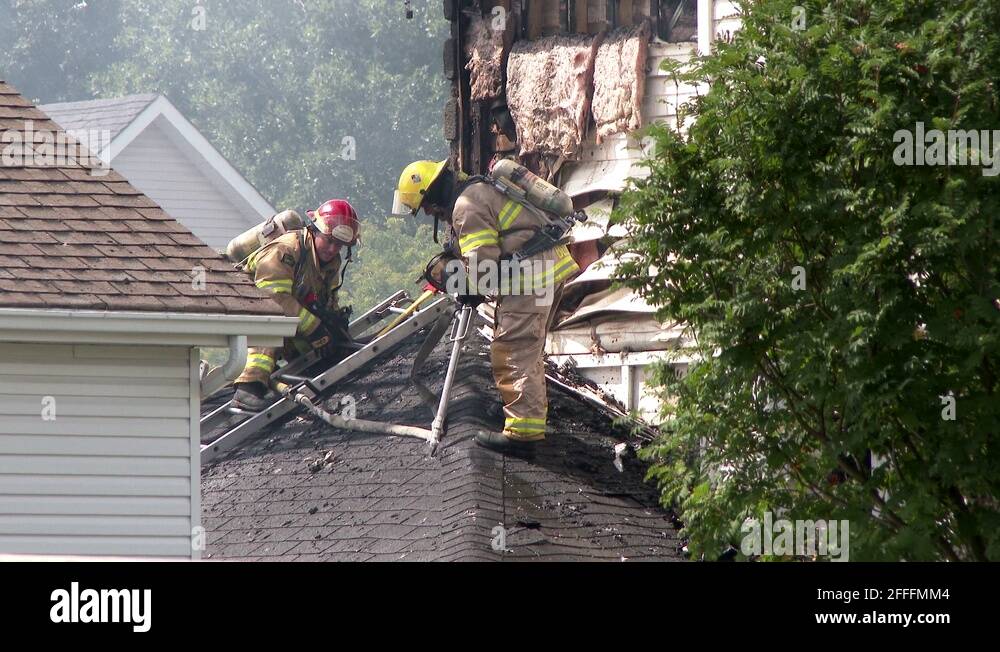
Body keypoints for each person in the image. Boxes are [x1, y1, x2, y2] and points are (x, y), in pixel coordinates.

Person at [394, 159, 579, 452]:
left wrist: (456, 281)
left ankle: (523, 434)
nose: (429, 213)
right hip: (546, 273)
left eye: (426, 205)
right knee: (529, 349)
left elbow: (482, 271)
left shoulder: (466, 205)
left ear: (433, 192)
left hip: (530, 282)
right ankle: (524, 411)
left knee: (512, 350)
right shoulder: (478, 189)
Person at [232, 199, 359, 411]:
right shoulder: (286, 249)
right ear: (315, 230)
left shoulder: (329, 262)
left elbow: (324, 300)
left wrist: (332, 329)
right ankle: (249, 386)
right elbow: (272, 297)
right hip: (245, 307)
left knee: (317, 336)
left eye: (339, 245)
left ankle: (300, 371)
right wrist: (314, 326)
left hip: (283, 309)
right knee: (273, 322)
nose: (333, 248)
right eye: (329, 241)